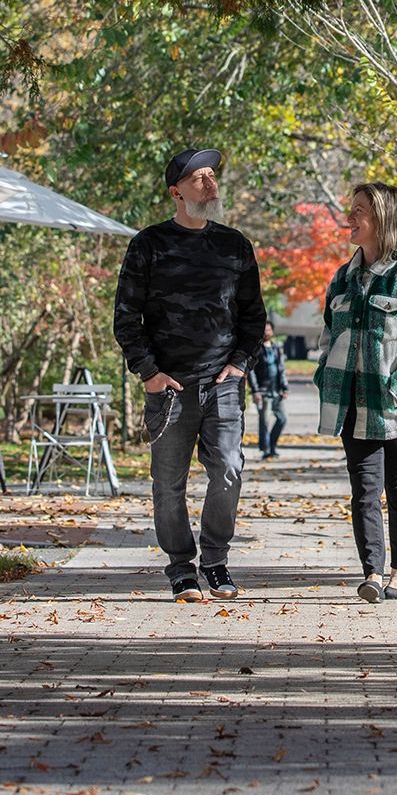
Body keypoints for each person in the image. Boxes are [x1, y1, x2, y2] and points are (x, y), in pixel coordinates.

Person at [112, 146, 266, 604]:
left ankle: (215, 562)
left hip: (222, 385)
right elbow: (126, 318)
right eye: (200, 178)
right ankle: (182, 569)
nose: (211, 183)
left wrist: (239, 365)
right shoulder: (149, 244)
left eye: (212, 176)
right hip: (170, 390)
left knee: (228, 472)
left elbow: (253, 318)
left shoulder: (234, 245)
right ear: (176, 192)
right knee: (168, 483)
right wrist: (149, 373)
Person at [315, 182, 397, 603]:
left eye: (359, 211)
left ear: (384, 219)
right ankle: (372, 572)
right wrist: (324, 376)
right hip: (353, 404)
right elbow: (328, 336)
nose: (348, 218)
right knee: (364, 491)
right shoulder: (344, 277)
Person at [251, 319, 290, 459]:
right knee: (265, 422)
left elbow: (281, 369)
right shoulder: (256, 349)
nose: (266, 332)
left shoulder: (276, 348)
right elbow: (252, 373)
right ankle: (266, 449)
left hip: (277, 391)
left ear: (272, 331)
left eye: (268, 329)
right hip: (263, 392)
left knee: (282, 419)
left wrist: (285, 388)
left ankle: (272, 445)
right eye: (264, 330)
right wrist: (255, 391)